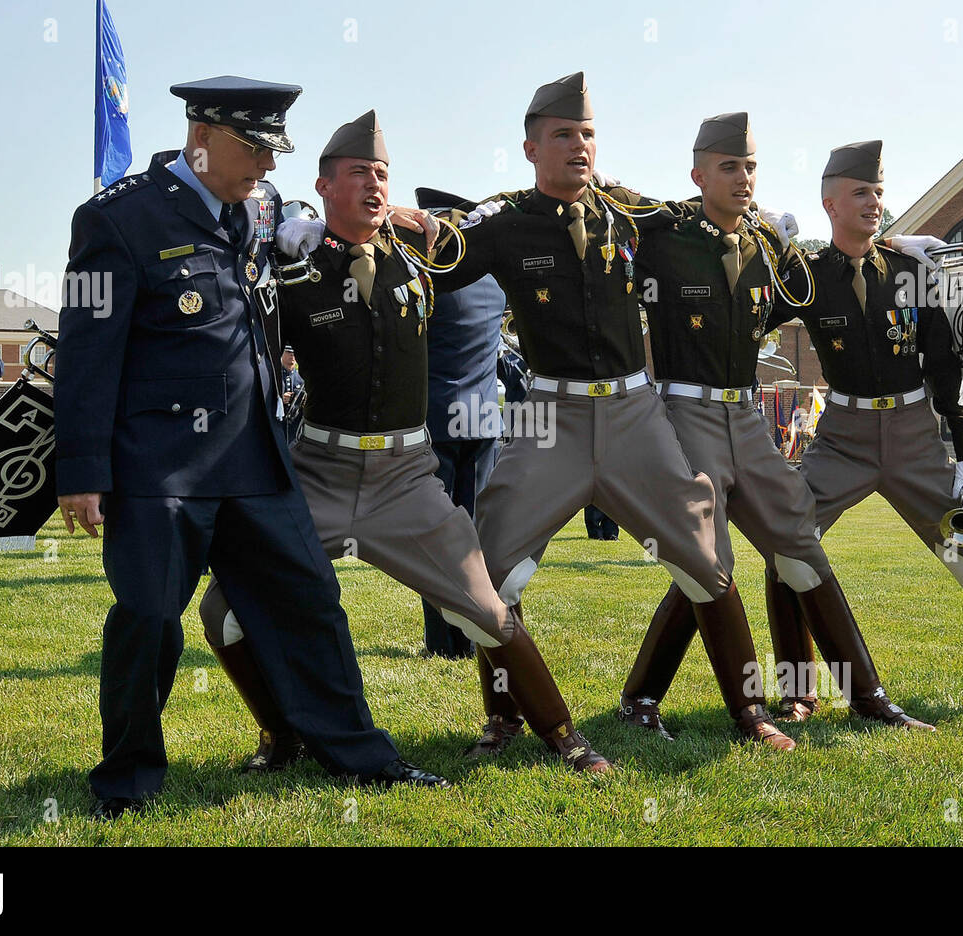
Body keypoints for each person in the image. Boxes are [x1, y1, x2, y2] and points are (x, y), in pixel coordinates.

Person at [54, 77, 448, 820]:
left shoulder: (261, 209)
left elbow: (310, 237)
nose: (268, 166)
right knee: (147, 617)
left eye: (275, 152)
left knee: (311, 606)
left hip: (255, 455)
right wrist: (80, 469)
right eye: (255, 148)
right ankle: (128, 777)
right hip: (159, 465)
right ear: (201, 137)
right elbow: (86, 354)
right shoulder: (119, 219)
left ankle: (362, 757)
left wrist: (385, 213)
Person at [200, 111, 610, 773]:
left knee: (489, 609)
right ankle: (282, 737)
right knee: (225, 611)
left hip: (409, 479)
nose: (374, 182)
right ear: (324, 186)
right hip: (321, 472)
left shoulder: (423, 252)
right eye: (359, 172)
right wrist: (280, 239)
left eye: (383, 173)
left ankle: (568, 739)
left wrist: (439, 227)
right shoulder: (288, 269)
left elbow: (504, 231)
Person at [433, 73, 794, 751]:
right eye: (564, 135)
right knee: (494, 570)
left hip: (634, 414)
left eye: (588, 135)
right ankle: (505, 718)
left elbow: (713, 226)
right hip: (549, 416)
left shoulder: (634, 217)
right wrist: (402, 225)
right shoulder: (506, 220)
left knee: (705, 562)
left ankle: (750, 714)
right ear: (531, 147)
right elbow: (443, 254)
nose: (579, 146)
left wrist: (779, 233)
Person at [617, 114, 932, 741]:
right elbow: (600, 200)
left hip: (746, 415)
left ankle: (866, 694)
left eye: (751, 167)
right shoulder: (664, 229)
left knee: (798, 542)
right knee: (710, 560)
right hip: (686, 410)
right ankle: (704, 704)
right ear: (699, 175)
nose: (743, 178)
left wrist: (892, 251)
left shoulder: (766, 241)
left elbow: (820, 281)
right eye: (729, 167)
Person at [761, 140, 963, 722]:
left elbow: (946, 368)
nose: (874, 203)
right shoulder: (808, 279)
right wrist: (770, 247)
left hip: (914, 435)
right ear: (830, 203)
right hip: (842, 437)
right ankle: (799, 692)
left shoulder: (915, 271)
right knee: (787, 545)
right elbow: (754, 320)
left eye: (879, 193)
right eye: (861, 193)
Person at [414, 185, 509, 659]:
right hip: (482, 418)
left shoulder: (427, 279)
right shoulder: (494, 282)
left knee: (439, 536)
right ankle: (479, 630)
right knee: (476, 535)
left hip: (435, 419)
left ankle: (445, 642)